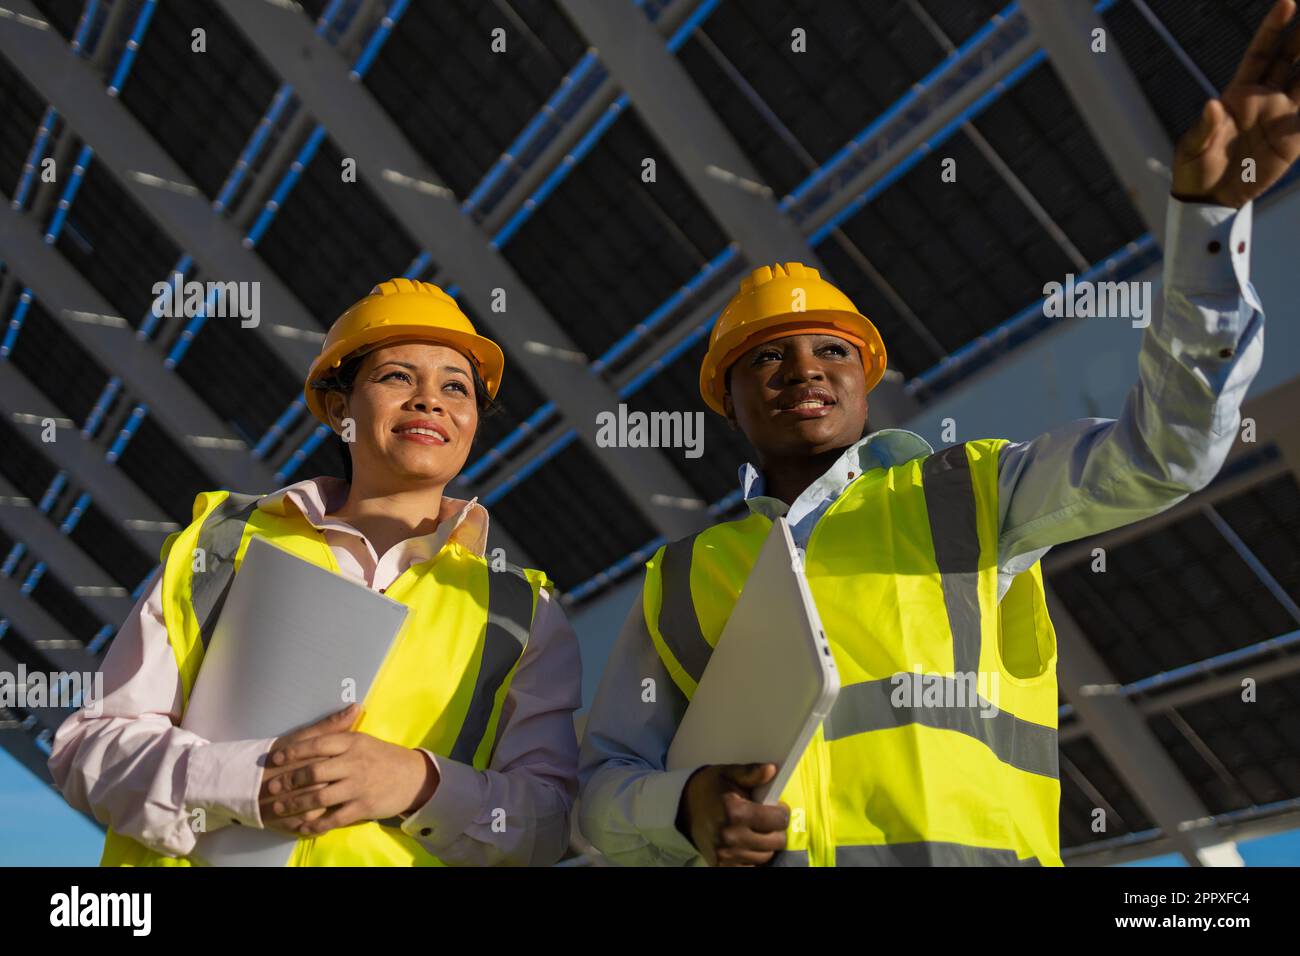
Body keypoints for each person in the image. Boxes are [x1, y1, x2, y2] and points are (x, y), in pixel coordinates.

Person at [577, 0, 1299, 866]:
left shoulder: (971, 493)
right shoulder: (681, 580)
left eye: (831, 351)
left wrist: (1210, 230)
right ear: (726, 401)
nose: (804, 370)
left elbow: (1165, 453)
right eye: (766, 360)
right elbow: (600, 793)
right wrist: (682, 807)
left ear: (866, 379)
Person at [49, 278, 582, 866]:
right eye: (397, 376)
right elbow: (88, 751)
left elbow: (551, 822)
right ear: (338, 409)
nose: (430, 400)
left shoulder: (522, 613)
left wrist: (420, 785)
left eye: (456, 387)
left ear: (472, 423)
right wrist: (247, 784)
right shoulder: (223, 545)